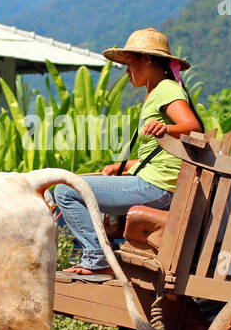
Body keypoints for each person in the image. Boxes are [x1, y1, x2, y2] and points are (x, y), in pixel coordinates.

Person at [54, 28, 203, 281]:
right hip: (156, 183)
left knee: (66, 190)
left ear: (146, 59)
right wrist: (122, 167)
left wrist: (167, 127)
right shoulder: (157, 92)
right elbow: (161, 153)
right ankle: (98, 255)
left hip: (156, 188)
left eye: (130, 62)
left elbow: (193, 127)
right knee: (72, 188)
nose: (127, 71)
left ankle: (97, 258)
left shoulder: (166, 89)